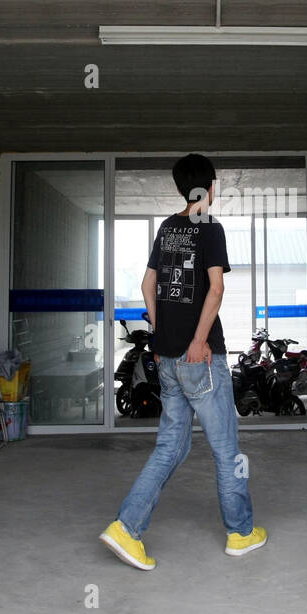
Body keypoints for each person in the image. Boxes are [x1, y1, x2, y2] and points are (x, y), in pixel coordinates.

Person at [100, 153, 267, 570]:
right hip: (200, 357)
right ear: (208, 186)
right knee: (227, 450)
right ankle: (242, 533)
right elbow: (215, 289)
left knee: (170, 446)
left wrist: (161, 335)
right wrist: (197, 339)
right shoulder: (209, 227)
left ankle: (126, 528)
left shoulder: (168, 227)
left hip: (168, 358)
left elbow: (147, 284)